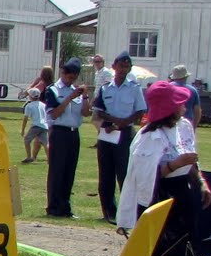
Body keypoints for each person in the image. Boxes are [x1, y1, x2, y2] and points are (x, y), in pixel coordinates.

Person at [118, 82, 211, 256]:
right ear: (168, 108)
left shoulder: (184, 127)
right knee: (150, 253)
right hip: (158, 197)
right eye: (179, 103)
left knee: (173, 254)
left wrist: (201, 182)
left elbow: (191, 159)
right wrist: (175, 164)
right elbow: (146, 177)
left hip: (181, 196)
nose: (184, 107)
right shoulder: (150, 137)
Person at [89, 52, 147, 224]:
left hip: (125, 132)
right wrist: (114, 121)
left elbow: (140, 110)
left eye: (126, 66)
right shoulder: (106, 87)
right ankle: (108, 211)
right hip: (108, 132)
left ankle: (127, 211)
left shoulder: (134, 88)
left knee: (124, 173)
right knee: (105, 173)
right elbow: (98, 110)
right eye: (120, 66)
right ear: (113, 67)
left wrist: (123, 123)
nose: (123, 69)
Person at [41, 58, 88, 218]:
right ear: (63, 73)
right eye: (69, 77)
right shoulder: (53, 90)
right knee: (57, 170)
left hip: (74, 132)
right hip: (59, 132)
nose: (71, 80)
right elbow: (54, 113)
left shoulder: (77, 91)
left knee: (69, 170)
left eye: (74, 77)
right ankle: (53, 206)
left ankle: (65, 206)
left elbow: (85, 113)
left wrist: (85, 97)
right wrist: (69, 97)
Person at [21, 92, 50, 163]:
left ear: (30, 96)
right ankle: (50, 159)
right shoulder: (43, 105)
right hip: (44, 125)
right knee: (45, 143)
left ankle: (29, 157)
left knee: (27, 140)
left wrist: (23, 130)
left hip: (36, 125)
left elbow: (25, 118)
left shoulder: (29, 106)